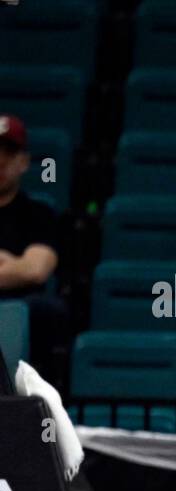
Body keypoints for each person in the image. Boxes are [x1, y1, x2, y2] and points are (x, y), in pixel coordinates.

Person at [0, 114, 68, 389]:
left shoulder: (39, 215)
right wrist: (9, 263)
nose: (0, 161)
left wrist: (20, 268)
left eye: (8, 153)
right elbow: (23, 267)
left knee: (48, 311)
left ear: (24, 162)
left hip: (20, 306)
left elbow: (36, 270)